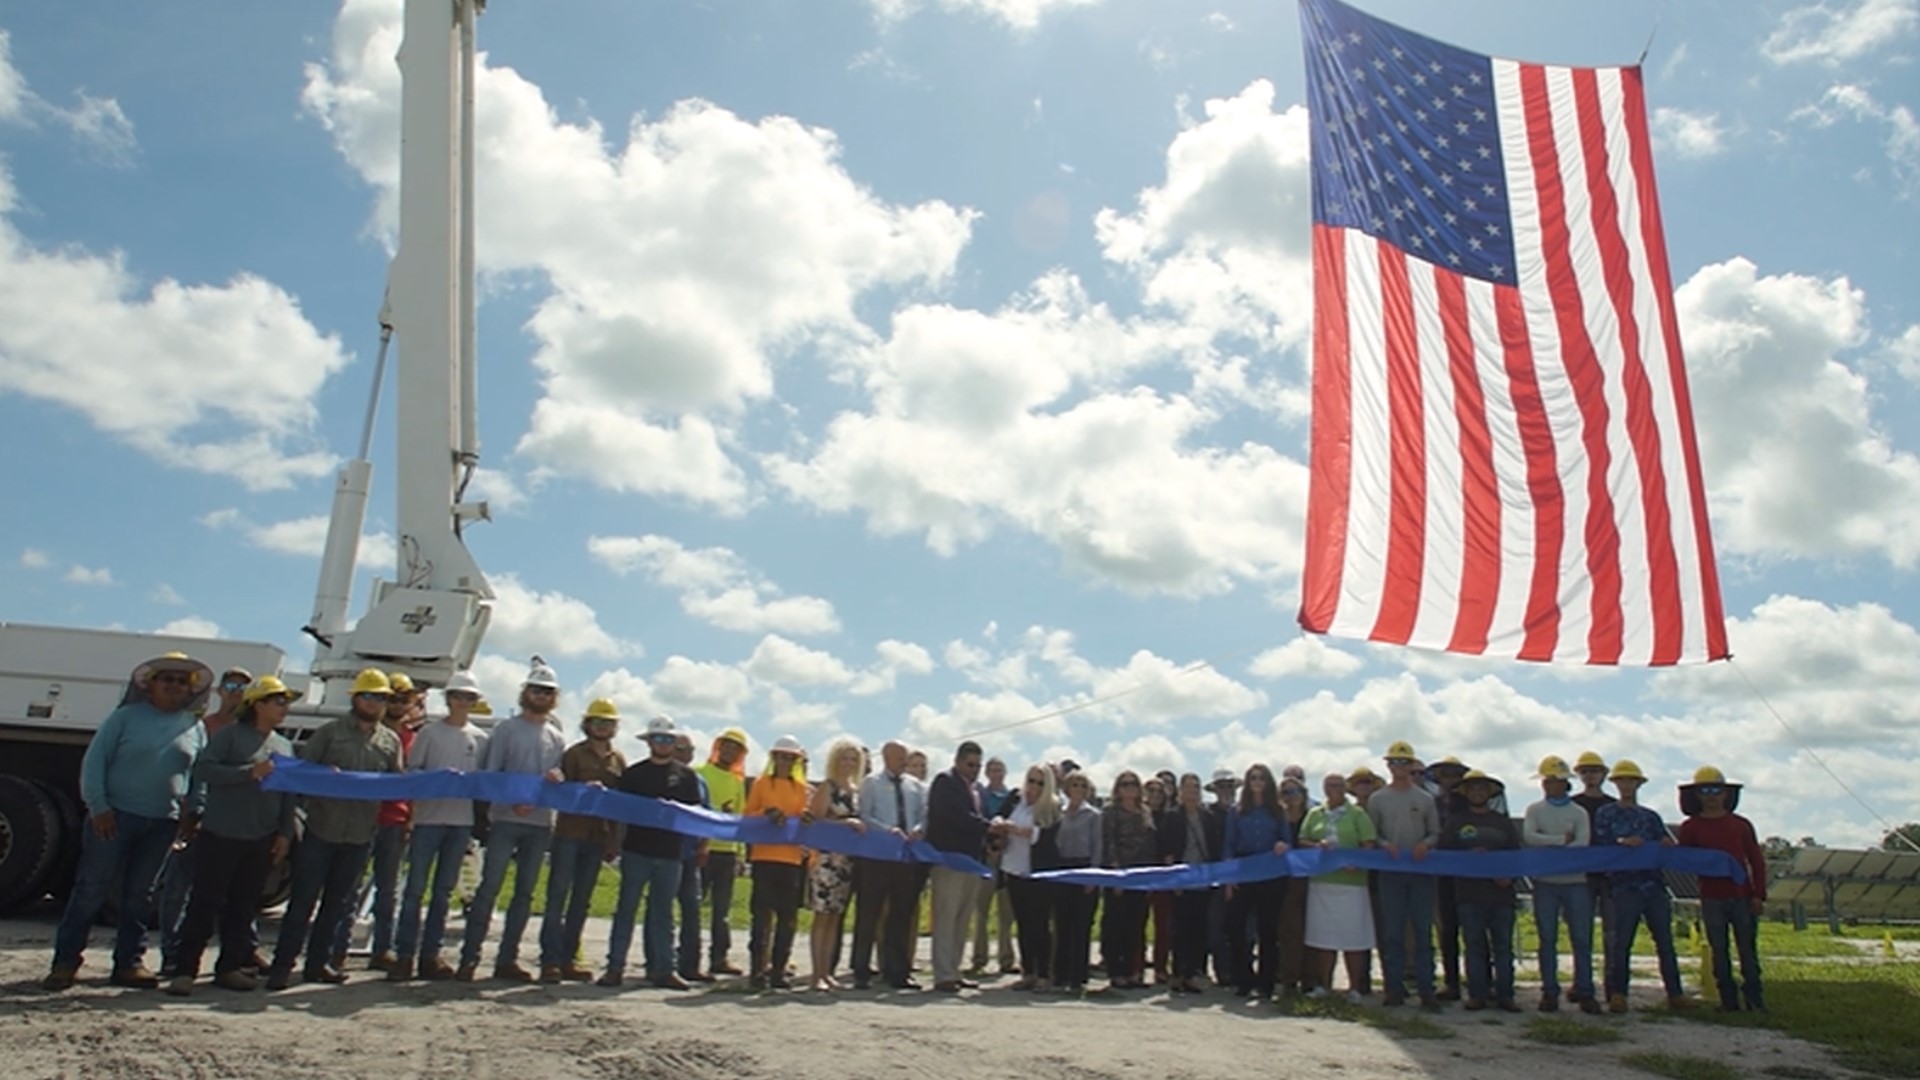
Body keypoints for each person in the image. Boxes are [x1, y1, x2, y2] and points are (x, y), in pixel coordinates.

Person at [45, 652, 213, 991]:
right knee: (91, 889)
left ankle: (129, 964)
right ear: (150, 685)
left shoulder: (195, 728)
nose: (174, 686)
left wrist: (195, 811)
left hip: (163, 823)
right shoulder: (123, 718)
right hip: (114, 818)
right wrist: (99, 808)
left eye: (182, 682)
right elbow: (94, 764)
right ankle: (65, 962)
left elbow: (199, 776)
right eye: (167, 679)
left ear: (190, 690)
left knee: (140, 896)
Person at [267, 669, 404, 989]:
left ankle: (318, 964)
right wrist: (322, 775)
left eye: (381, 697)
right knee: (302, 901)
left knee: (338, 904)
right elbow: (300, 775)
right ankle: (282, 965)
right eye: (368, 695)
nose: (374, 702)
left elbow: (397, 781)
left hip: (359, 835)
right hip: (321, 828)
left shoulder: (390, 741)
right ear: (355, 697)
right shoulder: (329, 733)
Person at [165, 676, 298, 996]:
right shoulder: (229, 737)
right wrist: (248, 773)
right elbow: (204, 770)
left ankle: (230, 968)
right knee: (204, 903)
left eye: (286, 702)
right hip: (221, 834)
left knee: (243, 906)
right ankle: (185, 970)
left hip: (261, 838)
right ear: (258, 705)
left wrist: (284, 833)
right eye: (278, 701)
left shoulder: (284, 745)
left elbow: (287, 793)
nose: (284, 708)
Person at [457, 660, 567, 982]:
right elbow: (492, 775)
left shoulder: (556, 737)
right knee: (489, 888)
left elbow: (558, 777)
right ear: (525, 692)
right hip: (506, 820)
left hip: (539, 823)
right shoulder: (505, 730)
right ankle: (469, 958)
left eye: (547, 692)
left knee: (524, 894)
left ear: (555, 696)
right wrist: (510, 801)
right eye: (536, 690)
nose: (541, 696)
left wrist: (557, 777)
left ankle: (507, 959)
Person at [390, 671, 488, 981]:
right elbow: (414, 772)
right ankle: (404, 955)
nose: (463, 702)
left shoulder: (481, 739)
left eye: (469, 697)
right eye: (458, 696)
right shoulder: (430, 734)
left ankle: (429, 955)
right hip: (429, 821)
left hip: (460, 823)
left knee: (443, 892)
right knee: (414, 890)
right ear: (448, 699)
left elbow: (485, 783)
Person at [157, 665, 253, 979]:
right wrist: (190, 809)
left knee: (238, 892)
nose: (235, 692)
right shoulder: (202, 727)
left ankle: (243, 952)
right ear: (219, 690)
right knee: (179, 888)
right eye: (231, 685)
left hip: (234, 822)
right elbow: (193, 771)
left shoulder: (253, 735)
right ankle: (172, 953)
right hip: (196, 818)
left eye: (242, 688)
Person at [603, 715, 705, 988]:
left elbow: (694, 813)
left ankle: (664, 969)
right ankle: (614, 967)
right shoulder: (634, 774)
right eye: (658, 738)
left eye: (668, 739)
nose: (663, 743)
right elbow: (619, 810)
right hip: (637, 849)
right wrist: (613, 842)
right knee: (626, 909)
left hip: (671, 853)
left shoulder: (686, 776)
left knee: (663, 913)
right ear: (649, 741)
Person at [538, 698, 626, 983]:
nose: (602, 727)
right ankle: (549, 961)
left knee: (581, 901)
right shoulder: (573, 755)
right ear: (587, 724)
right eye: (597, 721)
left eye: (608, 722)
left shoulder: (619, 761)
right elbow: (560, 790)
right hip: (569, 834)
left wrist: (614, 841)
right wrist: (581, 789)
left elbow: (620, 805)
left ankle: (568, 959)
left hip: (597, 838)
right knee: (557, 897)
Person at [1593, 759, 1690, 1013]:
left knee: (1665, 942)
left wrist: (1666, 845)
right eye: (1622, 780)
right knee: (1621, 942)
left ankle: (1675, 993)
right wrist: (1621, 842)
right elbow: (1600, 845)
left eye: (1631, 781)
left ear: (1638, 784)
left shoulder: (1650, 816)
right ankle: (1618, 994)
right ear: (1615, 784)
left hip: (1654, 886)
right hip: (1624, 886)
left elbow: (1665, 842)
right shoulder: (1606, 814)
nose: (1626, 785)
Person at [338, 671, 419, 973]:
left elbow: (414, 784)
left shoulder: (414, 739)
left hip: (395, 819)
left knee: (388, 889)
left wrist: (411, 818)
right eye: (392, 697)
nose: (398, 704)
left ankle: (383, 949)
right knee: (351, 887)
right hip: (362, 818)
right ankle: (339, 949)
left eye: (403, 698)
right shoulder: (368, 734)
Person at [1677, 765, 1767, 1013]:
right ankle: (1727, 999)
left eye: (1716, 789)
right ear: (1696, 794)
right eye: (1704, 790)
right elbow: (1685, 860)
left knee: (1747, 950)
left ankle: (1755, 998)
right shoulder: (1690, 827)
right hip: (1711, 898)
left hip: (1742, 897)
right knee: (1719, 950)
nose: (1711, 795)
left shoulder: (1741, 825)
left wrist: (1759, 894)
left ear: (1726, 793)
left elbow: (1756, 861)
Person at [1367, 739, 1441, 1009]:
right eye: (1394, 762)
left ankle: (1427, 989)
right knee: (1393, 933)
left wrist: (1426, 844)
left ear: (1412, 766)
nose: (1399, 767)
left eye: (1404, 762)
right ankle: (1393, 988)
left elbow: (1435, 832)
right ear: (1388, 766)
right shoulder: (1378, 799)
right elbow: (1372, 834)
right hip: (1390, 873)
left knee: (1423, 933)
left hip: (1420, 872)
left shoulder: (1425, 799)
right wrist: (1384, 844)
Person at [1438, 769, 1521, 1012]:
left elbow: (1517, 857)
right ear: (1465, 793)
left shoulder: (1502, 822)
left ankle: (1506, 994)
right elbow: (1443, 856)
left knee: (1503, 947)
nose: (1477, 793)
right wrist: (1466, 858)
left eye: (1482, 789)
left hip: (1501, 896)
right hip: (1468, 895)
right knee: (1473, 946)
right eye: (1472, 789)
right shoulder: (1455, 823)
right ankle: (1477, 994)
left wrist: (1510, 877)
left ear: (1489, 793)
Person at [925, 740, 1004, 993]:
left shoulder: (978, 789)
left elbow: (979, 822)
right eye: (970, 764)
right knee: (946, 917)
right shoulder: (944, 782)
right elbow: (956, 816)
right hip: (949, 859)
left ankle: (955, 969)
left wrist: (992, 838)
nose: (974, 770)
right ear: (958, 761)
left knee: (962, 918)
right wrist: (988, 827)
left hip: (972, 861)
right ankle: (943, 974)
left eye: (978, 765)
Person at [1524, 755, 1598, 1014]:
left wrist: (1551, 842)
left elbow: (1583, 843)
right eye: (1546, 780)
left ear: (1565, 783)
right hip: (1545, 882)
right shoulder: (1534, 810)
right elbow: (1529, 837)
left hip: (1576, 882)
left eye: (1554, 780)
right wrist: (1559, 840)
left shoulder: (1578, 812)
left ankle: (1586, 990)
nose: (1549, 785)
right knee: (1547, 939)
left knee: (1581, 939)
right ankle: (1549, 992)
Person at [852, 740, 927, 990]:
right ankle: (861, 969)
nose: (903, 762)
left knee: (901, 914)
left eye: (904, 758)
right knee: (869, 913)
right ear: (886, 757)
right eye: (898, 758)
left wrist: (918, 829)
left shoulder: (914, 786)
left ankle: (898, 970)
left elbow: (924, 815)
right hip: (877, 856)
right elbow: (865, 815)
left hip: (905, 858)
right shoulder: (872, 783)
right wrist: (888, 830)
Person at [1298, 771, 1377, 1002]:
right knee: (1323, 936)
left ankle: (1354, 987)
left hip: (1352, 884)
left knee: (1353, 937)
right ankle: (1325, 985)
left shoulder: (1357, 814)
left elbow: (1369, 843)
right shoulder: (1315, 813)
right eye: (1330, 785)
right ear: (1323, 788)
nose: (1335, 789)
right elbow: (1302, 839)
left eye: (1339, 785)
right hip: (1322, 882)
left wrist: (1357, 860)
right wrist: (1316, 845)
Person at [744, 736, 811, 990]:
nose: (785, 761)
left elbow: (806, 822)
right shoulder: (761, 784)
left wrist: (805, 818)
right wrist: (765, 815)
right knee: (761, 917)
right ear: (773, 758)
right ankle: (757, 971)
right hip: (764, 857)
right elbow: (747, 816)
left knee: (788, 918)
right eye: (781, 756)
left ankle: (779, 970)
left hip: (791, 860)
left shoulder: (801, 789)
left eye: (790, 757)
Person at [1222, 764, 1292, 1001]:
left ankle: (1266, 982)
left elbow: (1287, 840)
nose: (1257, 781)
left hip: (1271, 871)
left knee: (1268, 930)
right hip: (1243, 869)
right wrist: (1229, 876)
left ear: (1269, 782)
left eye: (1262, 778)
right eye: (1253, 778)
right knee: (1237, 928)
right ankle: (1243, 979)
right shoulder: (1237, 810)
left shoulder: (1278, 811)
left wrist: (1283, 845)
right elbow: (1229, 844)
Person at [806, 738, 866, 991]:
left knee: (835, 918)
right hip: (826, 860)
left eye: (853, 759)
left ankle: (827, 971)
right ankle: (816, 973)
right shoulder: (828, 788)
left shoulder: (856, 790)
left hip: (847, 861)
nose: (848, 763)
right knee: (822, 916)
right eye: (844, 758)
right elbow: (815, 822)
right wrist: (846, 824)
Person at [1157, 772, 1223, 994]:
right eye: (1188, 787)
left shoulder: (1208, 817)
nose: (1192, 792)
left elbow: (1214, 847)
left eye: (1196, 787)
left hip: (1203, 879)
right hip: (1181, 879)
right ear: (1180, 791)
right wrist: (1172, 878)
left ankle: (1194, 973)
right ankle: (1177, 973)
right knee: (1180, 928)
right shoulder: (1172, 816)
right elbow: (1165, 850)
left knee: (1199, 928)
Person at [1000, 764, 1062, 991]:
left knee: (1040, 924)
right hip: (1013, 868)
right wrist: (1001, 824)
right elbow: (999, 816)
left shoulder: (1053, 807)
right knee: (1023, 923)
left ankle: (1044, 973)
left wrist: (1026, 832)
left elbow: (1050, 837)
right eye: (1032, 780)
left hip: (1037, 872)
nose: (1034, 786)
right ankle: (1028, 971)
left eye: (1040, 783)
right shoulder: (1016, 799)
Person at [697, 728, 751, 977]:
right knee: (693, 906)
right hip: (701, 850)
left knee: (722, 911)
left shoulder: (738, 782)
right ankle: (689, 956)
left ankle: (719, 957)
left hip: (726, 853)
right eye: (726, 745)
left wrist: (740, 853)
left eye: (735, 748)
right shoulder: (700, 773)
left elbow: (740, 818)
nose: (730, 751)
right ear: (718, 747)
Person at [1101, 770, 1158, 991]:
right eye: (1124, 784)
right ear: (1117, 788)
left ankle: (1134, 971)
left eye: (1133, 784)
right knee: (1116, 924)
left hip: (1142, 875)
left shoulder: (1145, 811)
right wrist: (1116, 875)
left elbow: (1151, 843)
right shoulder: (1110, 811)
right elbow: (1110, 842)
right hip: (1119, 875)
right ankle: (1117, 971)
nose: (1129, 788)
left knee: (1137, 925)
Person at [1571, 749, 1617, 1003]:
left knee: (1612, 934)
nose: (1590, 775)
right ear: (1579, 775)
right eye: (1585, 771)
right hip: (1581, 877)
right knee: (1581, 933)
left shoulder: (1612, 806)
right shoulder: (1572, 804)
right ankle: (1581, 984)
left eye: (1595, 771)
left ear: (1604, 774)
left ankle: (1613, 987)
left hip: (1609, 877)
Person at [1425, 755, 1472, 1001]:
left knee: (1475, 929)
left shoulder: (1472, 805)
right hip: (1441, 873)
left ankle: (1481, 981)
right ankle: (1451, 982)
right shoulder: (1430, 803)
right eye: (1446, 775)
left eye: (1455, 775)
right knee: (1446, 929)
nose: (1451, 780)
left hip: (1471, 874)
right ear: (1438, 778)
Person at [1053, 769, 1103, 992]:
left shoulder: (1093, 815)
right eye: (1075, 785)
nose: (1079, 790)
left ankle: (1078, 976)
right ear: (1067, 788)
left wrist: (1093, 875)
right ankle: (1060, 974)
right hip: (1063, 868)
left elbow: (1098, 847)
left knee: (1081, 926)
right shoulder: (1059, 813)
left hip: (1085, 868)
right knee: (1062, 923)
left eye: (1083, 786)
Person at [670, 732, 712, 982]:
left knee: (692, 908)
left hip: (690, 852)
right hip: (664, 851)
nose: (683, 754)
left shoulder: (699, 781)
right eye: (678, 749)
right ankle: (663, 963)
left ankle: (691, 964)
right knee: (663, 910)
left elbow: (707, 816)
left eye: (687, 750)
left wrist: (704, 846)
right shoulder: (663, 776)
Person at [972, 756, 1017, 976]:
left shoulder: (1014, 797)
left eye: (999, 769)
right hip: (984, 857)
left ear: (1005, 772)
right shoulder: (980, 795)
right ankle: (979, 957)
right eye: (992, 769)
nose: (996, 773)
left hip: (1007, 857)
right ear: (986, 773)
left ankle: (1006, 958)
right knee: (980, 909)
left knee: (1006, 912)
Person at [1204, 767, 1241, 985]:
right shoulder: (1208, 814)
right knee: (1215, 927)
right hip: (1215, 876)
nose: (1226, 790)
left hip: (1243, 876)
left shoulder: (1243, 812)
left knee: (1242, 928)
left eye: (1230, 785)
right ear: (1215, 790)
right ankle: (1222, 971)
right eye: (1222, 786)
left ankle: (1239, 970)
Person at [1276, 774, 1312, 994]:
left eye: (1295, 792)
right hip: (1283, 880)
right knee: (1288, 930)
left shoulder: (1313, 816)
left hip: (1310, 879)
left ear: (1304, 795)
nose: (1291, 797)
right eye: (1286, 792)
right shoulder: (1276, 818)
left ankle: (1310, 979)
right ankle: (1288, 977)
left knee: (1311, 927)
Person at [1142, 775, 1174, 985]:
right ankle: (1137, 966)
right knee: (1138, 923)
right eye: (1151, 790)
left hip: (1163, 876)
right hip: (1141, 874)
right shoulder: (1138, 816)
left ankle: (1161, 967)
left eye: (1159, 792)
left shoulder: (1170, 817)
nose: (1155, 795)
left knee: (1164, 925)